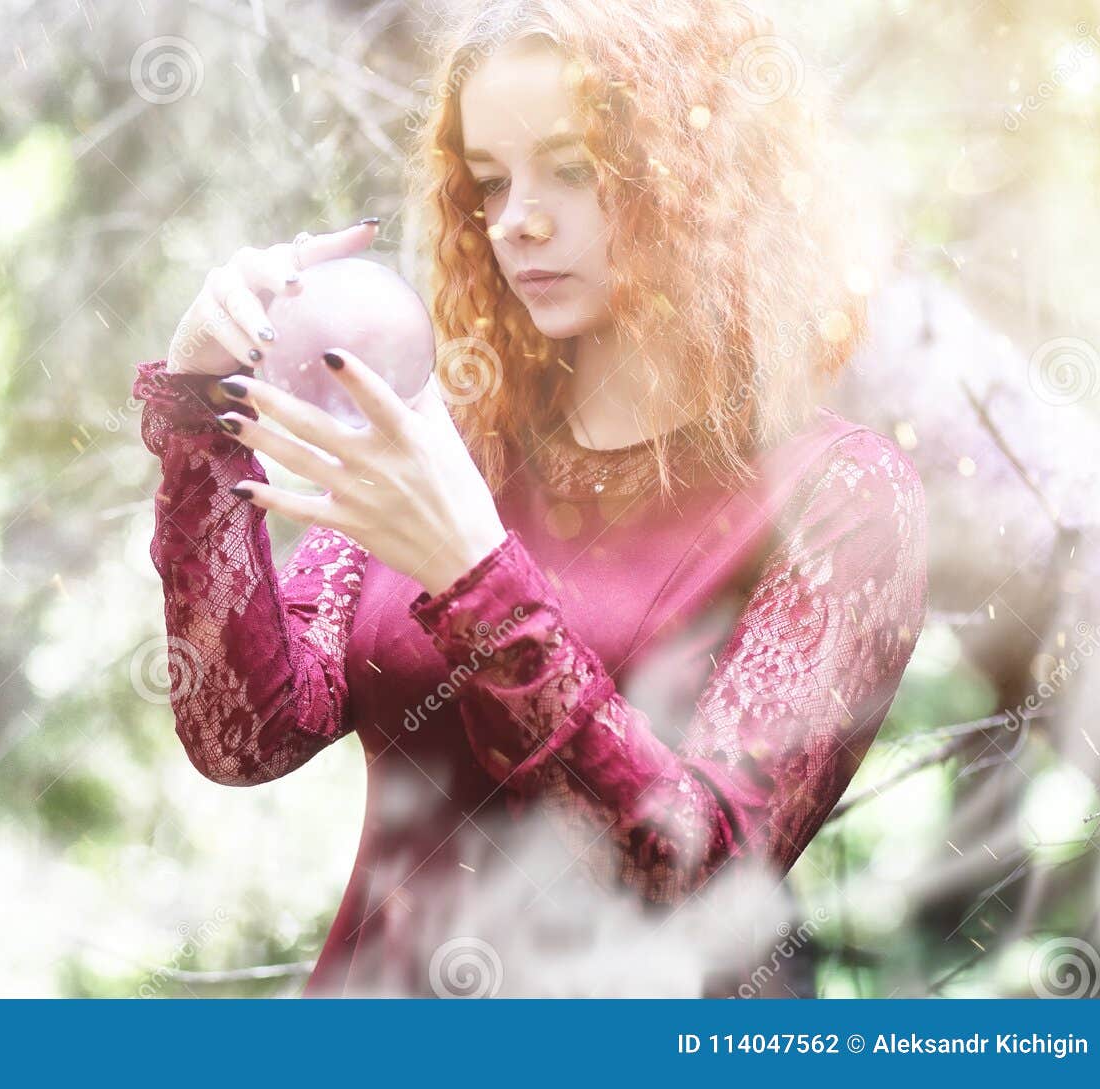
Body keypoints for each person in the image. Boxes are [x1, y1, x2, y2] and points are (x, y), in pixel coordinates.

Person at [130, 0, 928, 997]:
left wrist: (475, 580)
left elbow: (692, 878)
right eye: (490, 181)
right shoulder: (445, 442)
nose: (517, 221)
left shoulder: (843, 500)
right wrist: (202, 412)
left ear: (706, 172)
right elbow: (243, 735)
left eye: (575, 168)